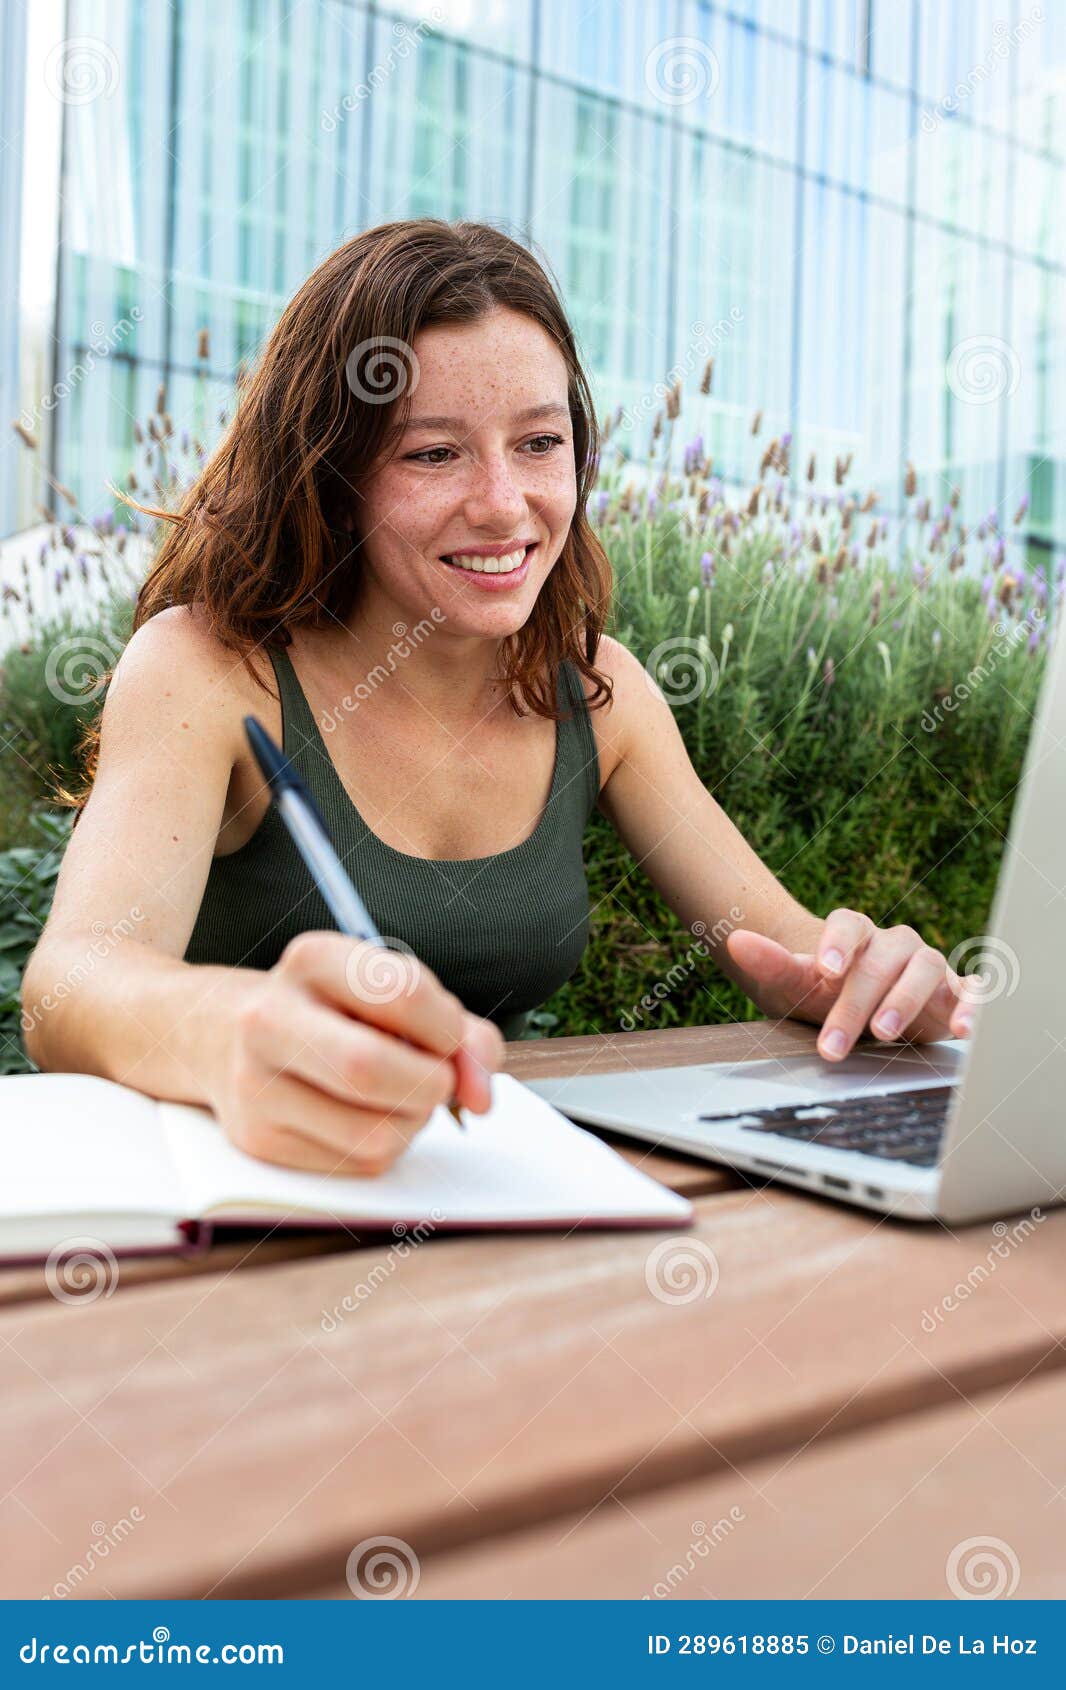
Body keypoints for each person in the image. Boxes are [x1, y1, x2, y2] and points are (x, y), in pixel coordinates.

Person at [21, 219, 974, 1178]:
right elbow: (69, 987)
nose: (504, 504)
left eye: (539, 443)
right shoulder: (210, 668)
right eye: (433, 454)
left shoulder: (599, 692)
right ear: (328, 470)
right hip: (249, 1212)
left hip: (491, 1194)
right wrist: (232, 1028)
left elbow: (788, 953)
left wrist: (872, 981)